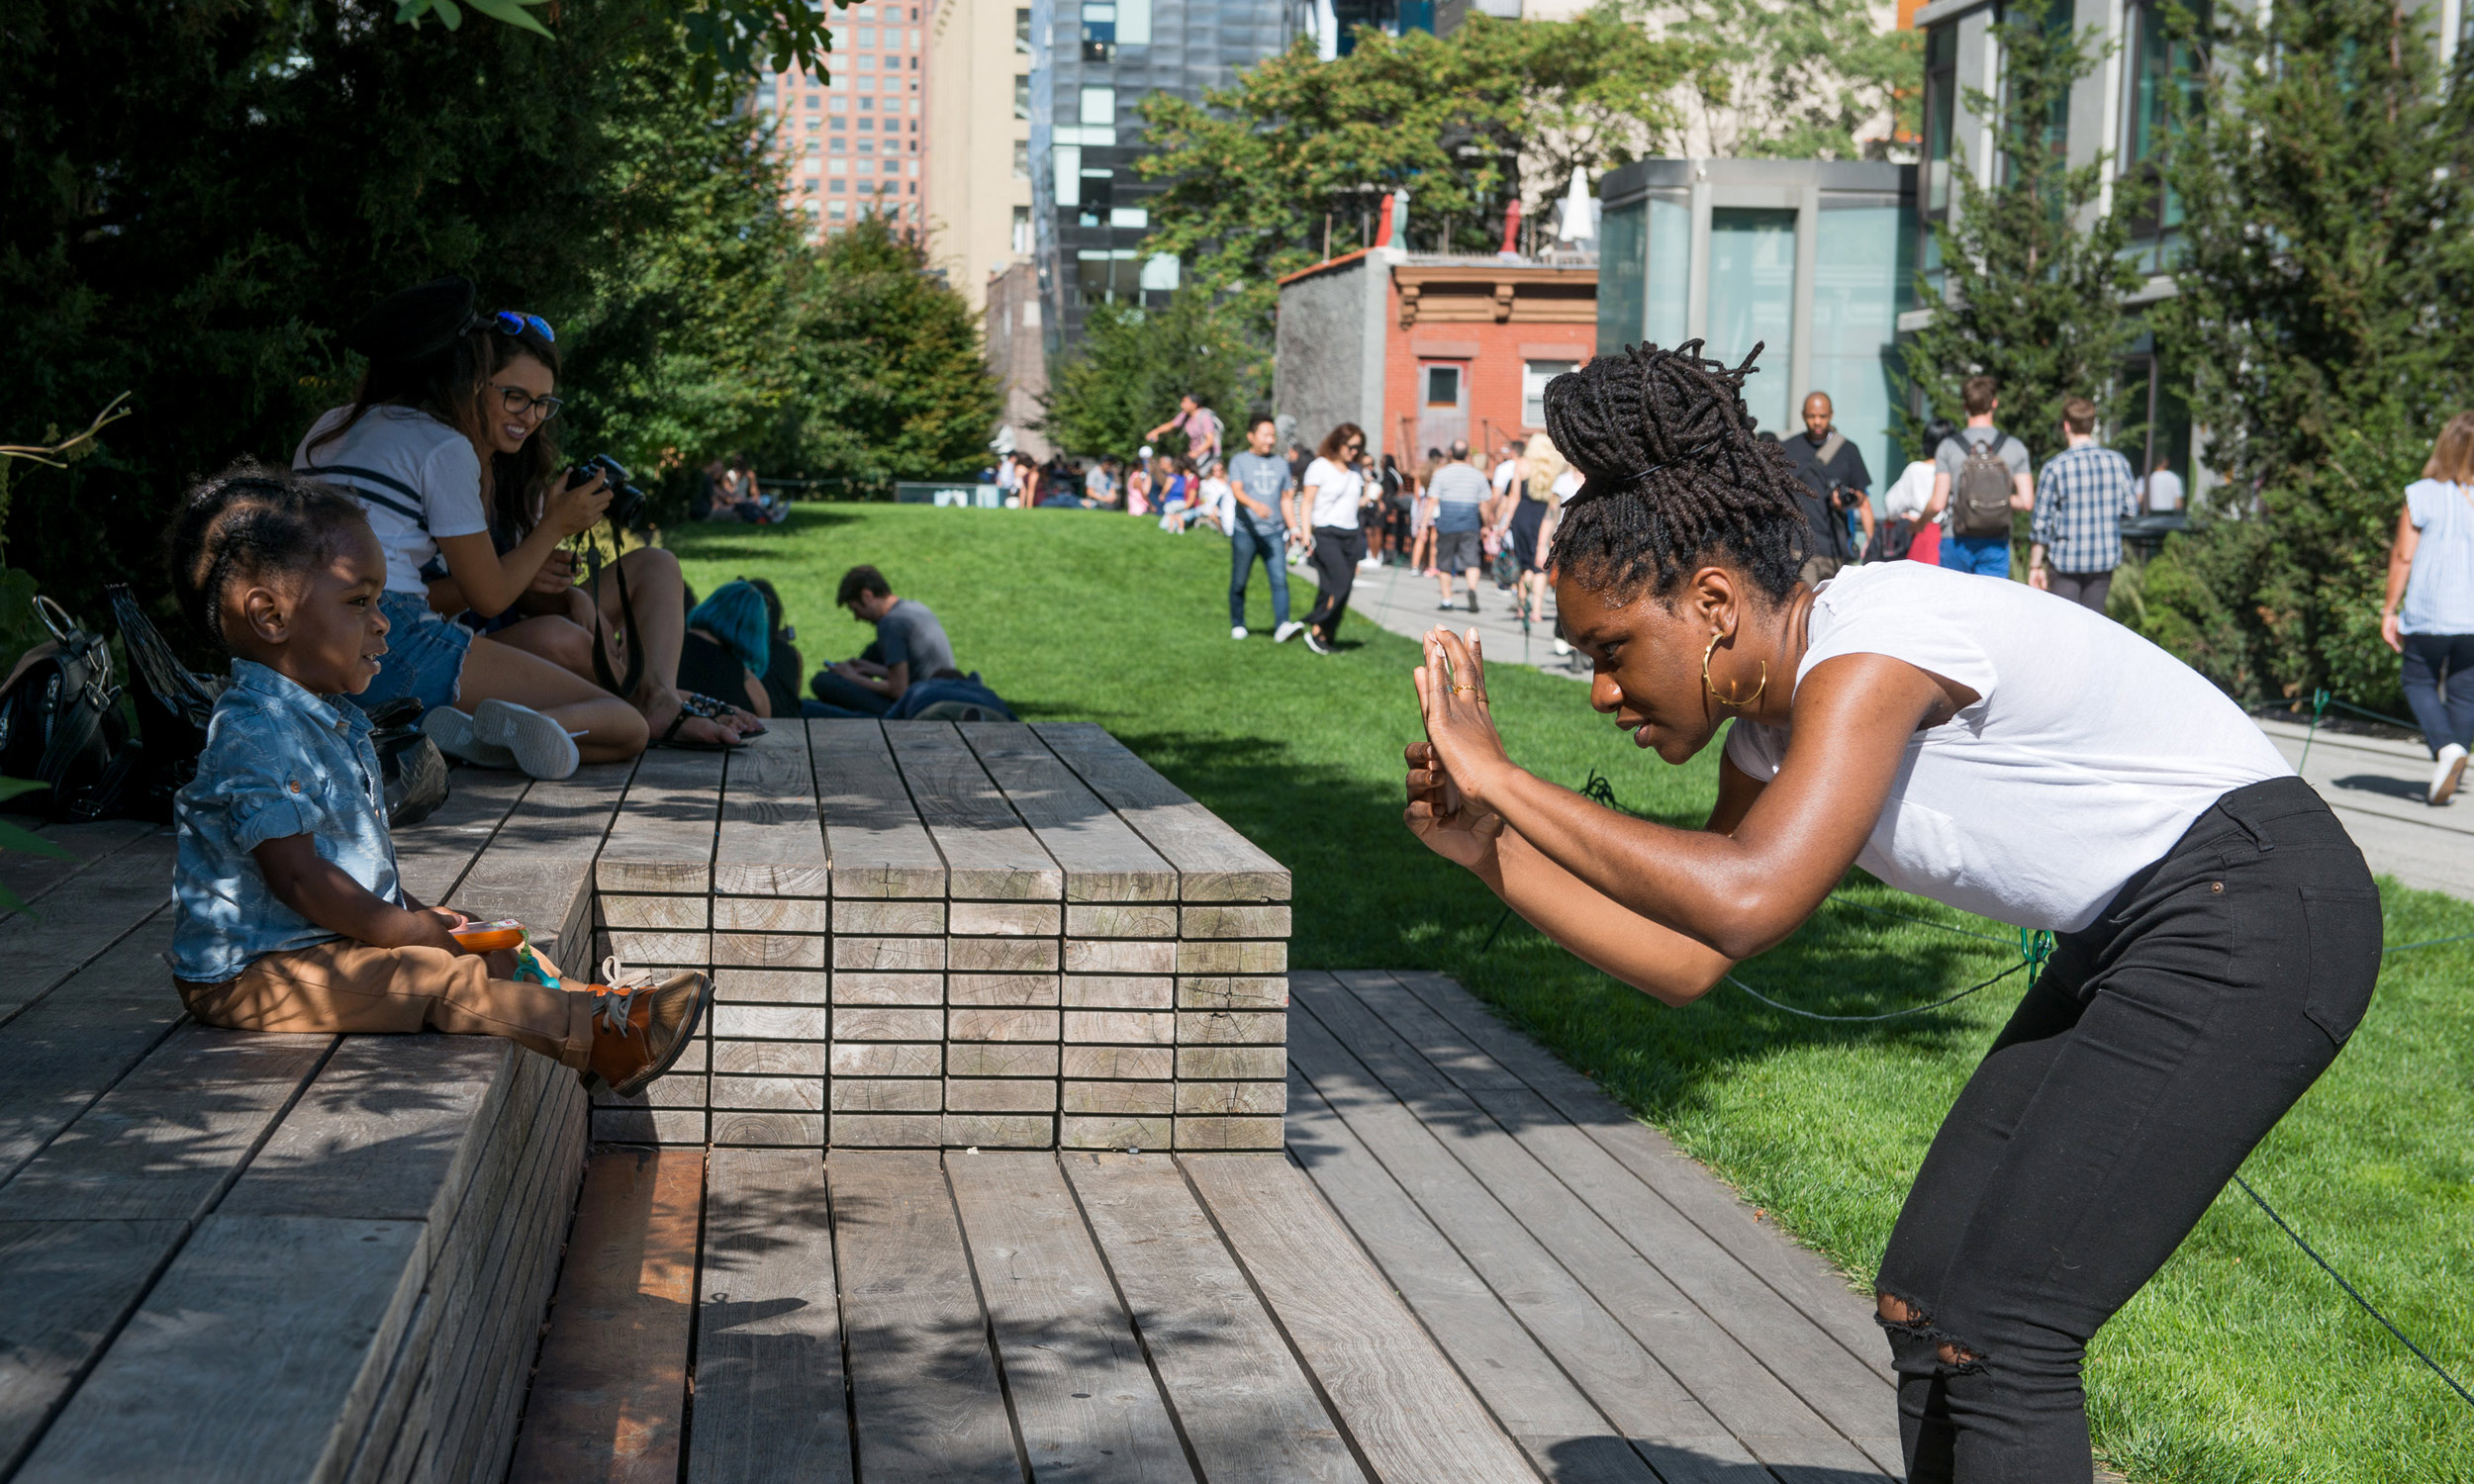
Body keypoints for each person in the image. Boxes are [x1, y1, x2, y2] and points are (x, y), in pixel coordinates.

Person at [1405, 340, 2374, 1484]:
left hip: (2257, 910)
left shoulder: (1873, 643)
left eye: (1611, 652)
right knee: (1928, 1305)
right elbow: (1689, 955)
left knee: (2006, 1329)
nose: (1605, 691)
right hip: (2141, 928)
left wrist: (1510, 781)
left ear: (1712, 603)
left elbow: (1751, 900)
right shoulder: (1769, 729)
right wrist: (1489, 853)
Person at [163, 463, 708, 1096]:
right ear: (270, 616)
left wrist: (417, 913)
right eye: (359, 602)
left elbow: (340, 869)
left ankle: (595, 1006)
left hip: (314, 943)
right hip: (255, 974)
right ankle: (601, 1039)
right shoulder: (254, 734)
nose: (383, 621)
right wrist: (403, 930)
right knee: (431, 980)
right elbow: (298, 877)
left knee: (478, 935)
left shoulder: (323, 720)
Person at [294, 277, 649, 777]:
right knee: (626, 725)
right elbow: (489, 597)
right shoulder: (441, 446)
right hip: (387, 640)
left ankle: (466, 736)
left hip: (308, 642)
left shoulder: (327, 428)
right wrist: (554, 525)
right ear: (460, 371)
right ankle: (485, 732)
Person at [2380, 409, 2474, 805]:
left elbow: (2403, 556)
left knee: (2416, 680)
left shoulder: (2421, 493)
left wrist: (2389, 609)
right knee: (2465, 691)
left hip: (2430, 611)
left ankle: (2446, 749)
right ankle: (2452, 757)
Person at [2028, 397, 2139, 613]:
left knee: (2066, 625)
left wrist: (2035, 565)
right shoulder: (2118, 462)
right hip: (2103, 558)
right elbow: (2131, 509)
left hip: (2066, 560)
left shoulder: (2055, 466)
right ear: (2092, 424)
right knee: (2095, 623)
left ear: (2066, 425)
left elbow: (2041, 523)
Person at [806, 565, 956, 716]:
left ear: (866, 596)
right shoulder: (915, 608)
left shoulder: (891, 623)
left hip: (913, 708)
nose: (857, 618)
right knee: (873, 651)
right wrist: (865, 668)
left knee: (822, 682)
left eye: (855, 610)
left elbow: (898, 690)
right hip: (935, 696)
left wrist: (850, 676)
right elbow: (914, 672)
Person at [1928, 375, 2035, 578]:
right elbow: (2026, 502)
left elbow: (1938, 503)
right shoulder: (2015, 447)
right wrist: (1996, 498)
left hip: (1956, 538)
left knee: (1954, 604)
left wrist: (1919, 523)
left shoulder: (1948, 447)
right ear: (1994, 403)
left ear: (1965, 406)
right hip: (1996, 539)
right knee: (1990, 606)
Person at [1782, 391, 1875, 584]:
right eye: (1811, 416)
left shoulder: (1848, 450)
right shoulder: (1788, 449)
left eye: (1822, 416)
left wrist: (1846, 501)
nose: (1817, 422)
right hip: (1800, 548)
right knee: (1806, 609)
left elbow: (1861, 496)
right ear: (1802, 415)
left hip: (1836, 549)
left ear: (1831, 415)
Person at [1226, 416, 1304, 642]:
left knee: (1279, 580)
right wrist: (1254, 504)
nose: (1270, 440)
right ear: (1251, 436)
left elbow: (1286, 500)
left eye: (1273, 436)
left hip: (1274, 533)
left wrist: (1294, 528)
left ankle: (1282, 625)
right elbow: (1237, 491)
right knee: (1239, 580)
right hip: (1246, 533)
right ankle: (1238, 624)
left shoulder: (1281, 464)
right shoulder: (1239, 461)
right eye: (1265, 435)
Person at [1298, 423, 1369, 655]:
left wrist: (1368, 497)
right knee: (1340, 581)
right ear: (1338, 443)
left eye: (1359, 448)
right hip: (1326, 532)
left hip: (1351, 533)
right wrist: (1306, 533)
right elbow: (1307, 502)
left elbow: (1351, 503)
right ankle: (1314, 623)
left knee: (1337, 587)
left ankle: (1325, 636)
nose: (1355, 452)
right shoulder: (1320, 467)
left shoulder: (1355, 471)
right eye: (1351, 447)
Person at [676, 580, 779, 719]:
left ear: (711, 605)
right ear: (755, 633)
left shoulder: (666, 647)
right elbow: (763, 727)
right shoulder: (751, 686)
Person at [1507, 432, 1568, 630]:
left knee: (1525, 564)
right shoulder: (1558, 465)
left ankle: (1522, 608)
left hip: (1523, 514)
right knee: (1541, 564)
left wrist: (1503, 523)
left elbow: (1514, 497)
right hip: (1546, 516)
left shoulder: (1522, 464)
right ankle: (1537, 611)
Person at [1877, 417, 1953, 567]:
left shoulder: (1916, 470)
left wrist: (1906, 517)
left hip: (1923, 534)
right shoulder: (1957, 471)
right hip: (1953, 538)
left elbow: (1892, 505)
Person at [1427, 440, 1491, 614]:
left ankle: (1447, 600)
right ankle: (1471, 589)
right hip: (1470, 524)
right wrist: (1487, 525)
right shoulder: (1478, 475)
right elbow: (1484, 504)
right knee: (1472, 560)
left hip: (1447, 523)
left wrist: (1422, 524)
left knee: (1445, 562)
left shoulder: (1441, 474)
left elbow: (1432, 500)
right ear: (1467, 454)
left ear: (1450, 453)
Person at [1146, 394, 1222, 467]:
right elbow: (1171, 424)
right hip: (1194, 456)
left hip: (1208, 456)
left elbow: (1209, 440)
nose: (1182, 405)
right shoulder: (1185, 415)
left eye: (1185, 402)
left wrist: (1195, 453)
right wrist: (1156, 431)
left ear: (1194, 405)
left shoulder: (1204, 417)